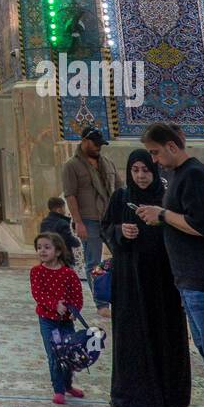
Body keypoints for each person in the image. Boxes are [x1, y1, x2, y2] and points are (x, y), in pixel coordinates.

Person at [100, 148, 190, 407]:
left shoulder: (166, 198)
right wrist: (120, 232)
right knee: (134, 332)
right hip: (130, 280)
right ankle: (135, 392)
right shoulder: (121, 197)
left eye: (146, 170)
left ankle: (168, 392)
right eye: (135, 170)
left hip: (163, 279)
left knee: (163, 329)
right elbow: (107, 227)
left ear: (156, 171)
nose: (140, 176)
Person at [139, 122, 204, 407]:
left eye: (155, 152)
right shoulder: (180, 175)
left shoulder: (195, 175)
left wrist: (163, 215)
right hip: (189, 280)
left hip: (203, 282)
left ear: (171, 146)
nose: (154, 160)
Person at [61, 125, 119, 312]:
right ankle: (101, 303)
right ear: (84, 141)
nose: (98, 147)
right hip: (89, 219)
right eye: (94, 144)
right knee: (93, 261)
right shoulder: (72, 166)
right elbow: (71, 195)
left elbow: (118, 188)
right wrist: (78, 222)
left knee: (122, 257)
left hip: (109, 219)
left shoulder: (107, 163)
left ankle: (121, 297)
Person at [30, 232, 85, 405]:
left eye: (47, 247)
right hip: (48, 321)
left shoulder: (69, 274)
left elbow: (78, 296)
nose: (42, 251)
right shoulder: (37, 272)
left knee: (69, 353)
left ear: (59, 251)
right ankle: (58, 389)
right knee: (55, 353)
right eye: (39, 248)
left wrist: (72, 311)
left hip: (66, 321)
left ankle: (68, 385)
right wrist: (55, 305)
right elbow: (38, 294)